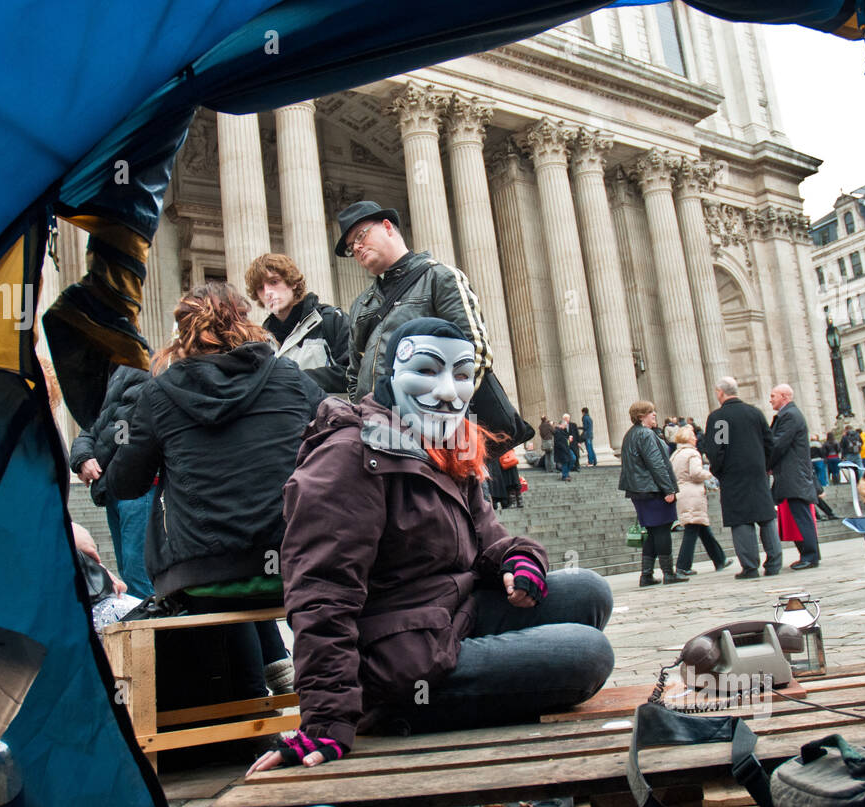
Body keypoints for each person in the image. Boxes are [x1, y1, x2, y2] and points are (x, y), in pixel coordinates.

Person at [248, 317, 614, 771]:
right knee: (588, 653)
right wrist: (327, 718)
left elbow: (487, 535)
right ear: (389, 376)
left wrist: (518, 558)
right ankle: (398, 708)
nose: (448, 392)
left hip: (447, 616)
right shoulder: (349, 454)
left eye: (462, 376)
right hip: (395, 660)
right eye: (426, 369)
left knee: (589, 590)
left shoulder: (443, 445)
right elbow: (321, 592)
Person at [106, 282, 325, 703]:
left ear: (182, 331)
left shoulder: (157, 394)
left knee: (221, 575)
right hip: (295, 567)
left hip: (200, 577)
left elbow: (125, 483)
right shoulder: (291, 378)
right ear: (244, 320)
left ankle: (246, 712)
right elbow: (342, 439)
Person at [335, 200, 491, 403]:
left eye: (360, 236)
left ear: (388, 227)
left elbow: (476, 352)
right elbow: (354, 373)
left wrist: (441, 409)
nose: (356, 247)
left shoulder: (439, 278)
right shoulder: (361, 305)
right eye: (350, 247)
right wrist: (360, 414)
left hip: (432, 422)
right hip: (374, 426)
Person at [69, 364, 155, 599]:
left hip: (136, 486)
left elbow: (122, 429)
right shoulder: (106, 378)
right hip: (113, 487)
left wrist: (91, 457)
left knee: (137, 572)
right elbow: (89, 429)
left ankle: (156, 632)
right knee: (130, 570)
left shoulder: (139, 370)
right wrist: (82, 458)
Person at [705, 376, 783, 579]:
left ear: (720, 393)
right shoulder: (755, 413)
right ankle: (774, 562)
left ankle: (750, 566)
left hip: (733, 475)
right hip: (758, 473)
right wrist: (764, 466)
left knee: (741, 521)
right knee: (766, 517)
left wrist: (718, 470)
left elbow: (718, 449)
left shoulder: (720, 418)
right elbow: (769, 444)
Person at [245, 253, 351, 394]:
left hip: (330, 413)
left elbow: (354, 374)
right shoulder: (260, 340)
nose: (267, 292)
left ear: (293, 282)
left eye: (274, 282)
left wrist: (293, 379)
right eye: (260, 288)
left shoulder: (331, 320)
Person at [620, 400, 686, 586]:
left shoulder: (630, 434)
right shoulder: (646, 434)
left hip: (639, 490)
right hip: (653, 489)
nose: (654, 415)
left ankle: (646, 574)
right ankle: (668, 573)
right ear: (641, 416)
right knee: (663, 529)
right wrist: (668, 489)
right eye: (651, 413)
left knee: (652, 531)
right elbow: (656, 464)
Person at [768, 384, 821, 570]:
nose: (770, 399)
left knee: (802, 516)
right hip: (792, 473)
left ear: (784, 396)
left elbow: (778, 444)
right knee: (799, 514)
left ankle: (810, 555)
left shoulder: (789, 415)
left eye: (773, 395)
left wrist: (766, 464)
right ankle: (808, 554)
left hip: (793, 474)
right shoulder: (789, 414)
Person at [671, 425, 730, 577]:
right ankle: (683, 566)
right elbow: (696, 473)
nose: (696, 438)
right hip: (693, 493)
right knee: (692, 529)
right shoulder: (692, 453)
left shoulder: (676, 454)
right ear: (687, 438)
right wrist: (709, 474)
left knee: (702, 528)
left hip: (682, 492)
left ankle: (719, 559)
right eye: (693, 436)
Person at [553, 415, 573, 482]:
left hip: (565, 449)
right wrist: (564, 447)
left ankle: (566, 474)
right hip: (562, 450)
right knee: (565, 462)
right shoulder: (557, 431)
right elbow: (558, 442)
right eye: (565, 425)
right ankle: (565, 475)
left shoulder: (561, 431)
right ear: (562, 424)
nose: (565, 427)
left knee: (569, 461)